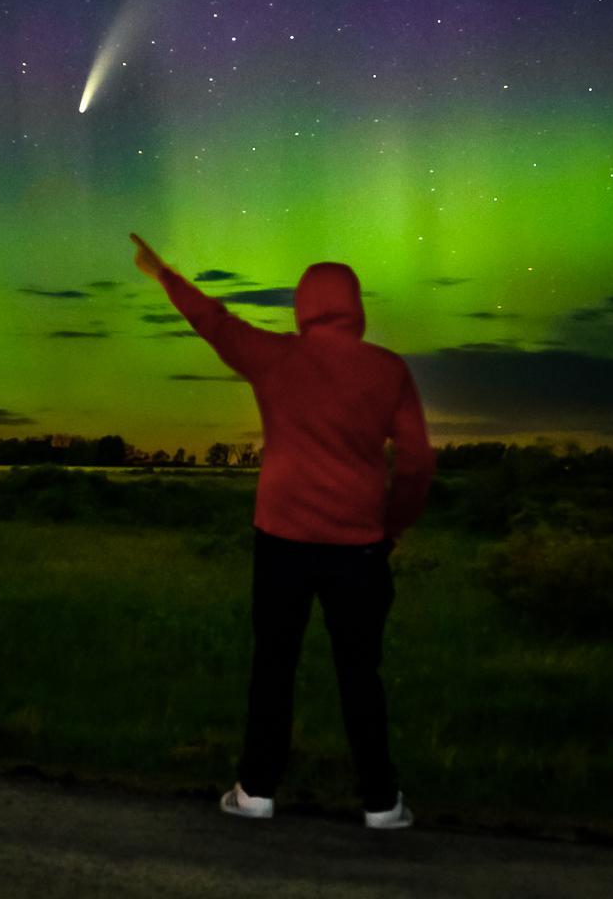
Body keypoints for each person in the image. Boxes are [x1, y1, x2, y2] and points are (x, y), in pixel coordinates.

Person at [129, 233, 435, 829]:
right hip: (360, 549)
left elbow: (214, 321)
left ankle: (257, 791)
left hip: (281, 543)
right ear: (356, 306)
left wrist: (163, 273)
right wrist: (390, 528)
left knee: (273, 665)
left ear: (302, 305)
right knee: (360, 674)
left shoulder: (275, 357)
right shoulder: (388, 370)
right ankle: (380, 802)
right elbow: (419, 461)